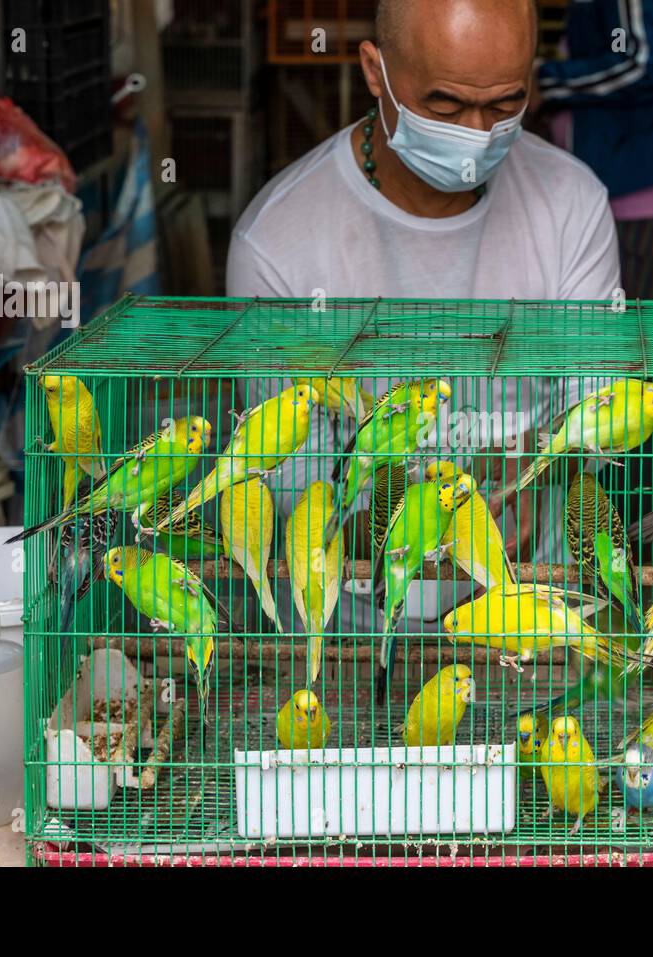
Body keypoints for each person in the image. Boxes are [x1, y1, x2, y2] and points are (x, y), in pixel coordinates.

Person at [225, 0, 618, 647]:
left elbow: (597, 422)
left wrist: (522, 473)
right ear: (375, 72)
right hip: (346, 632)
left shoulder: (571, 206)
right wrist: (414, 516)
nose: (477, 132)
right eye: (444, 105)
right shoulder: (281, 243)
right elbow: (291, 483)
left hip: (529, 616)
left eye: (504, 104)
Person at [534, 0, 653, 299]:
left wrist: (550, 80)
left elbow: (643, 63)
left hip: (637, 163)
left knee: (630, 299)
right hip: (646, 153)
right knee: (637, 288)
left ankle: (632, 344)